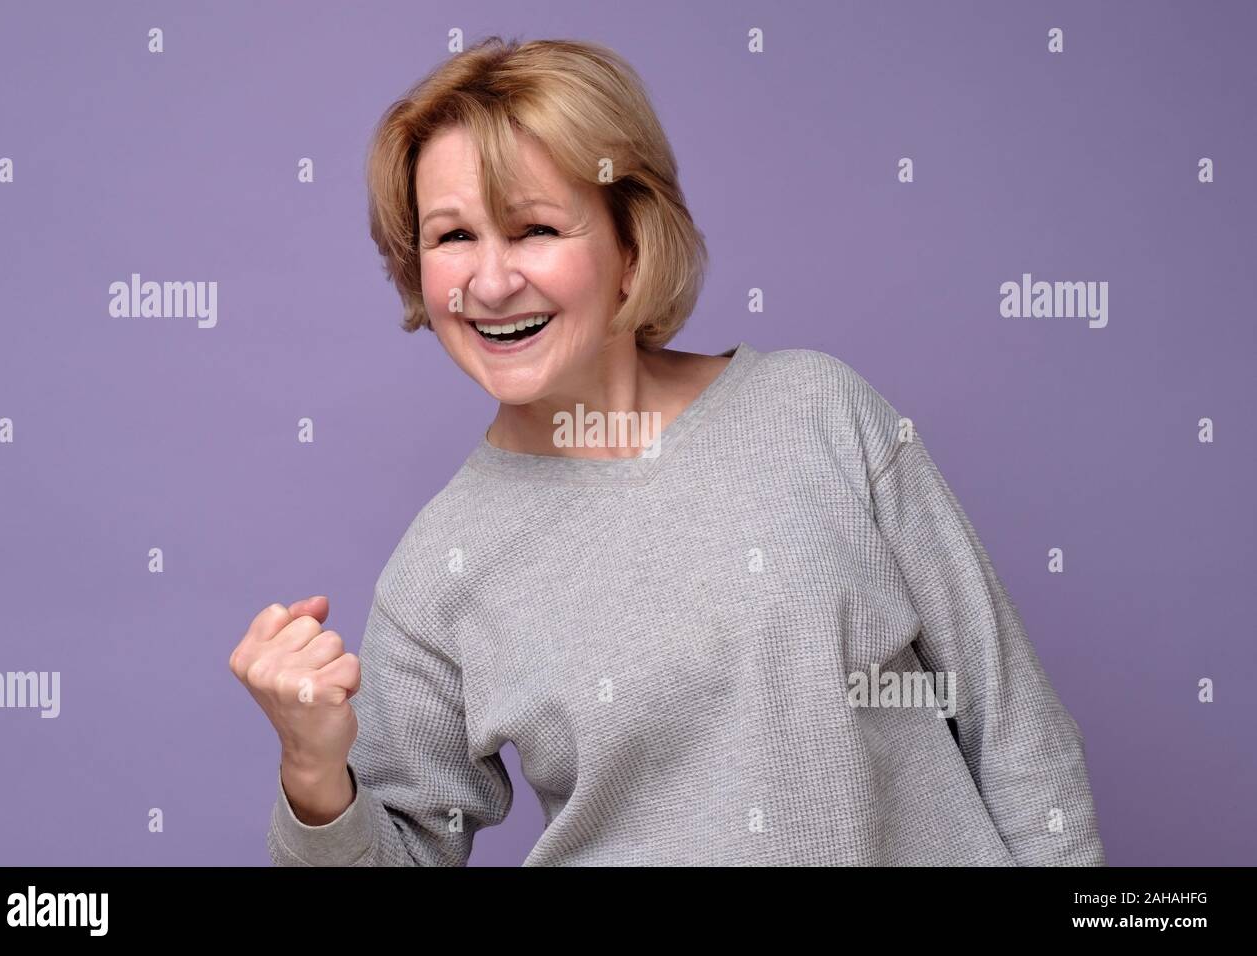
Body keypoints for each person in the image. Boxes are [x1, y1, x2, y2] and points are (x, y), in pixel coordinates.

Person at [228, 36, 1104, 866]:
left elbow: (1012, 725)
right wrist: (313, 775)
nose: (491, 283)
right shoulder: (436, 577)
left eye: (534, 227)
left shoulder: (816, 411)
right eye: (454, 237)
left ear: (632, 238)